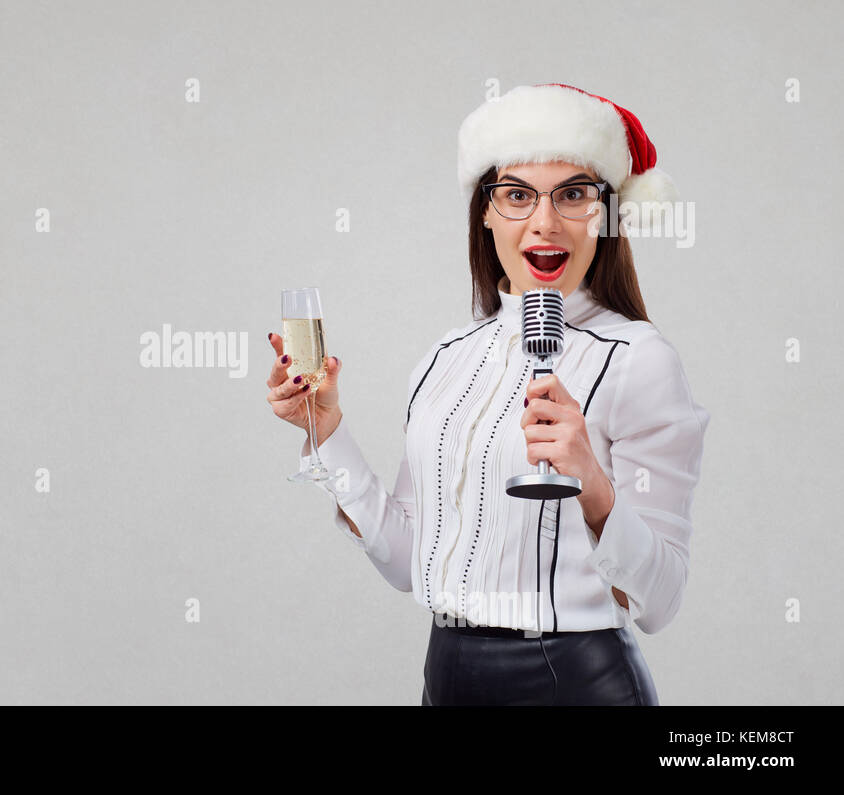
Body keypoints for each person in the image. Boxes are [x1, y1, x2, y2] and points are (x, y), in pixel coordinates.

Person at [265, 83, 710, 705]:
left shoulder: (640, 359)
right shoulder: (448, 358)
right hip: (448, 674)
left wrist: (594, 486)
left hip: (575, 681)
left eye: (574, 194)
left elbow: (660, 602)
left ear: (606, 215)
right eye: (518, 195)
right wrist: (326, 431)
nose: (545, 222)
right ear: (487, 211)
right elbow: (401, 559)